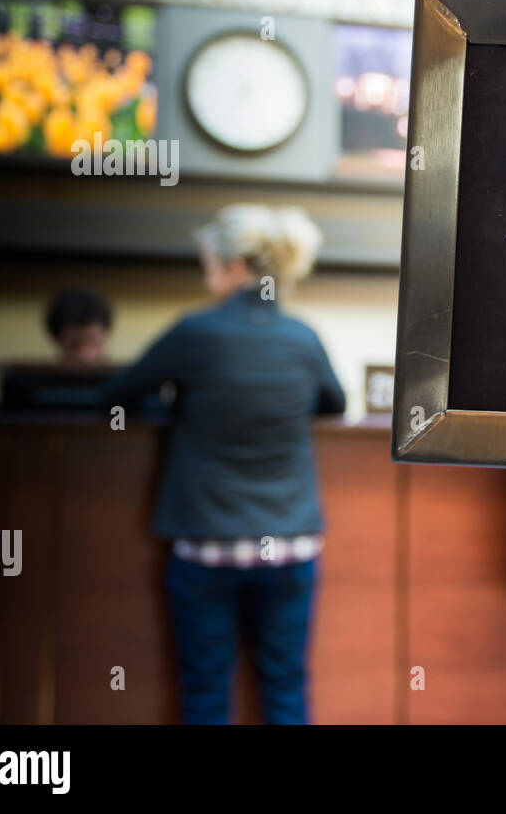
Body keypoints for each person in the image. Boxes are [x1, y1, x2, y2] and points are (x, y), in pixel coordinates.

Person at [101, 203, 346, 725]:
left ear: (237, 268)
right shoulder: (303, 338)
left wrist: (173, 403)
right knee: (285, 689)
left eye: (210, 265)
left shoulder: (195, 333)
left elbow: (117, 395)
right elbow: (334, 402)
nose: (207, 276)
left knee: (207, 693)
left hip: (207, 547)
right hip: (290, 547)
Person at [44, 287, 112, 364]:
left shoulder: (123, 375)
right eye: (74, 345)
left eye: (94, 342)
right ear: (57, 341)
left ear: (106, 336)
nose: (85, 356)